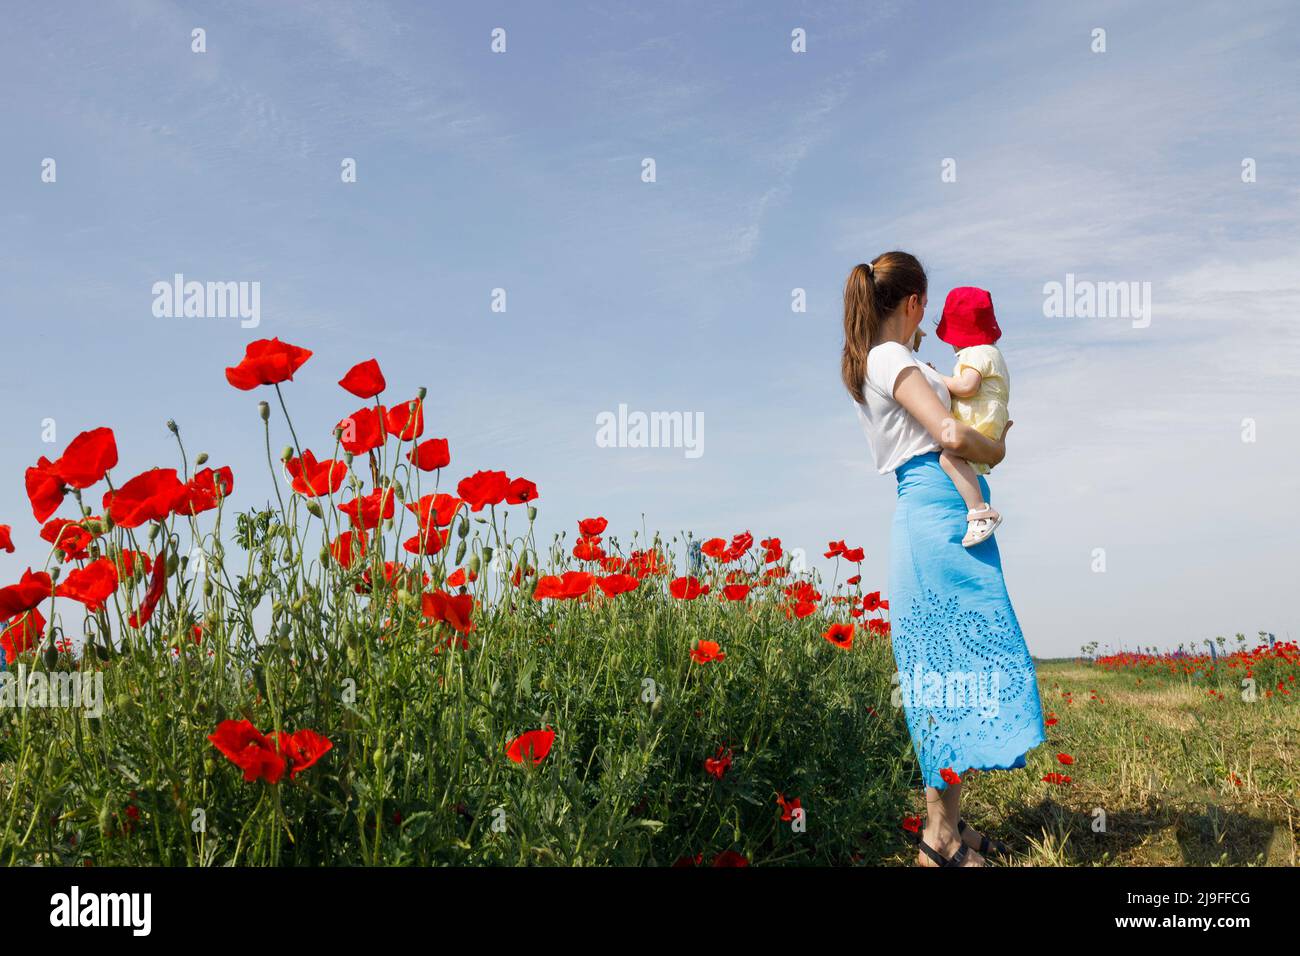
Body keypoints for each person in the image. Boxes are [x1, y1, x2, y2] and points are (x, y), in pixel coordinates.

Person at [841, 252, 1046, 868]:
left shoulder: (890, 358)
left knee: (956, 666)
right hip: (933, 513)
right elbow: (952, 438)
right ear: (913, 302)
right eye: (924, 303)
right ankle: (939, 840)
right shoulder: (889, 357)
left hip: (940, 511)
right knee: (945, 675)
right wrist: (999, 445)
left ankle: (948, 824)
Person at [931, 286, 1011, 548]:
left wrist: (935, 378)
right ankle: (978, 506)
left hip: (979, 423)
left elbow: (967, 386)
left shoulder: (974, 354)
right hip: (990, 423)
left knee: (949, 457)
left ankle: (979, 511)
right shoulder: (993, 354)